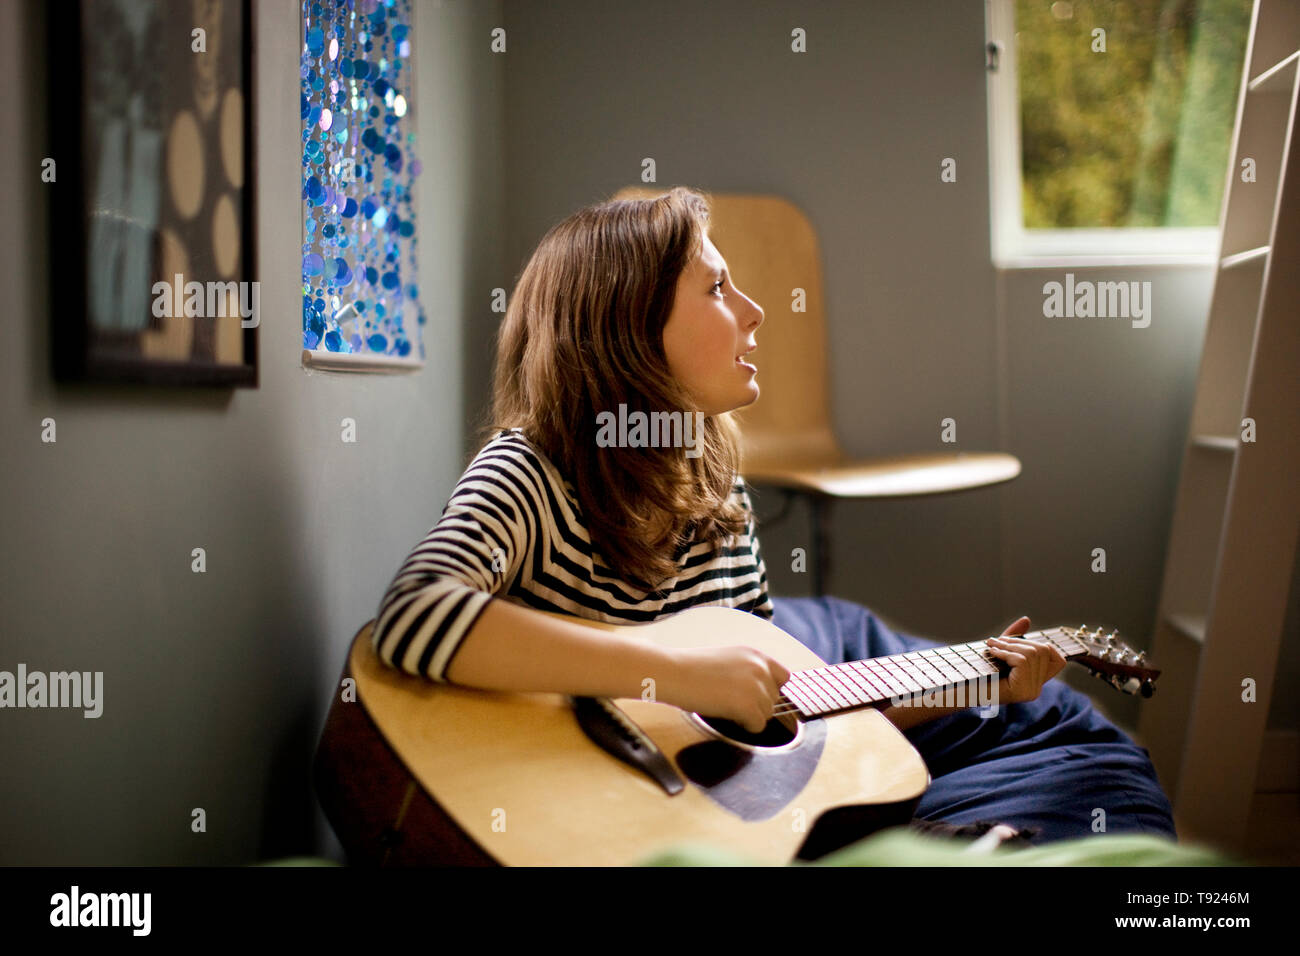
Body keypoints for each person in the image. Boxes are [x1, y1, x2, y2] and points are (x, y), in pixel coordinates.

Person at [370, 186, 1068, 844]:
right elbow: (415, 617)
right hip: (555, 821)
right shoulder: (529, 471)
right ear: (627, 327)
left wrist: (980, 682)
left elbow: (786, 718)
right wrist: (674, 672)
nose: (756, 310)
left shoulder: (718, 497)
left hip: (682, 822)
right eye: (716, 287)